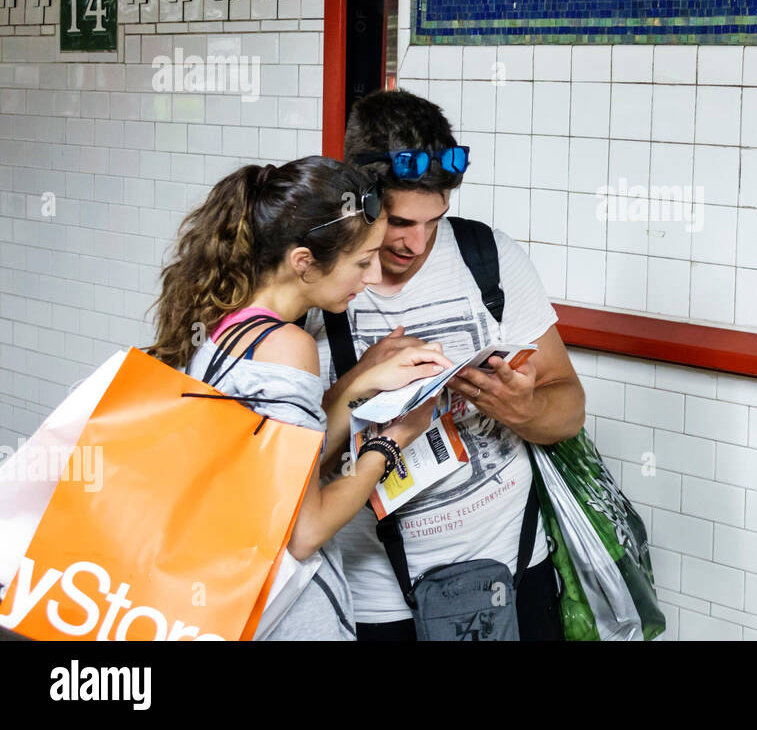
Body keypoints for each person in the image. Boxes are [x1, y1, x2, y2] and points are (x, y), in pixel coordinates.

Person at [305, 89, 586, 641]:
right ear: (357, 199)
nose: (417, 243)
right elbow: (282, 468)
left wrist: (524, 408)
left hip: (512, 570)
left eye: (435, 222)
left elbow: (569, 409)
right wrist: (359, 390)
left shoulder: (491, 255)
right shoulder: (319, 288)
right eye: (400, 222)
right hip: (379, 597)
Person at [147, 155, 456, 640]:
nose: (373, 276)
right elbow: (304, 530)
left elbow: (281, 471)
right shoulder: (286, 345)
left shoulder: (230, 324)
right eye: (361, 261)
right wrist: (393, 441)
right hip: (289, 622)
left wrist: (361, 380)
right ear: (304, 263)